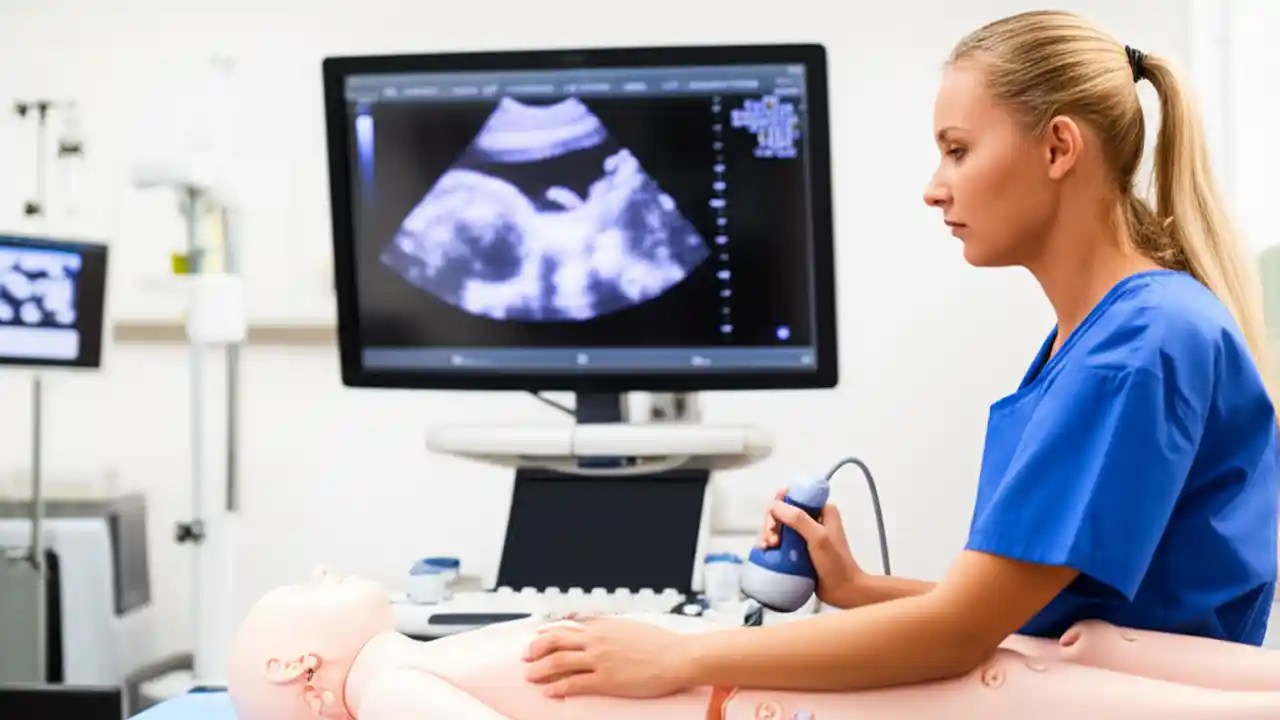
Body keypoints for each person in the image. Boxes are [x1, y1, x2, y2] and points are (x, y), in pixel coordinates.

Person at [522, 9, 1280, 700]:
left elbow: (958, 634)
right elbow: (1018, 616)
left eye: (958, 151)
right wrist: (855, 588)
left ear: (1058, 147)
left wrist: (682, 658)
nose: (934, 188)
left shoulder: (1138, 346)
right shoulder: (1111, 334)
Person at [226, 567, 1280, 720]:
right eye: (304, 590)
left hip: (767, 682)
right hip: (779, 699)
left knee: (1061, 656)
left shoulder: (417, 661)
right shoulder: (392, 684)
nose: (323, 573)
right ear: (294, 668)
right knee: (1044, 674)